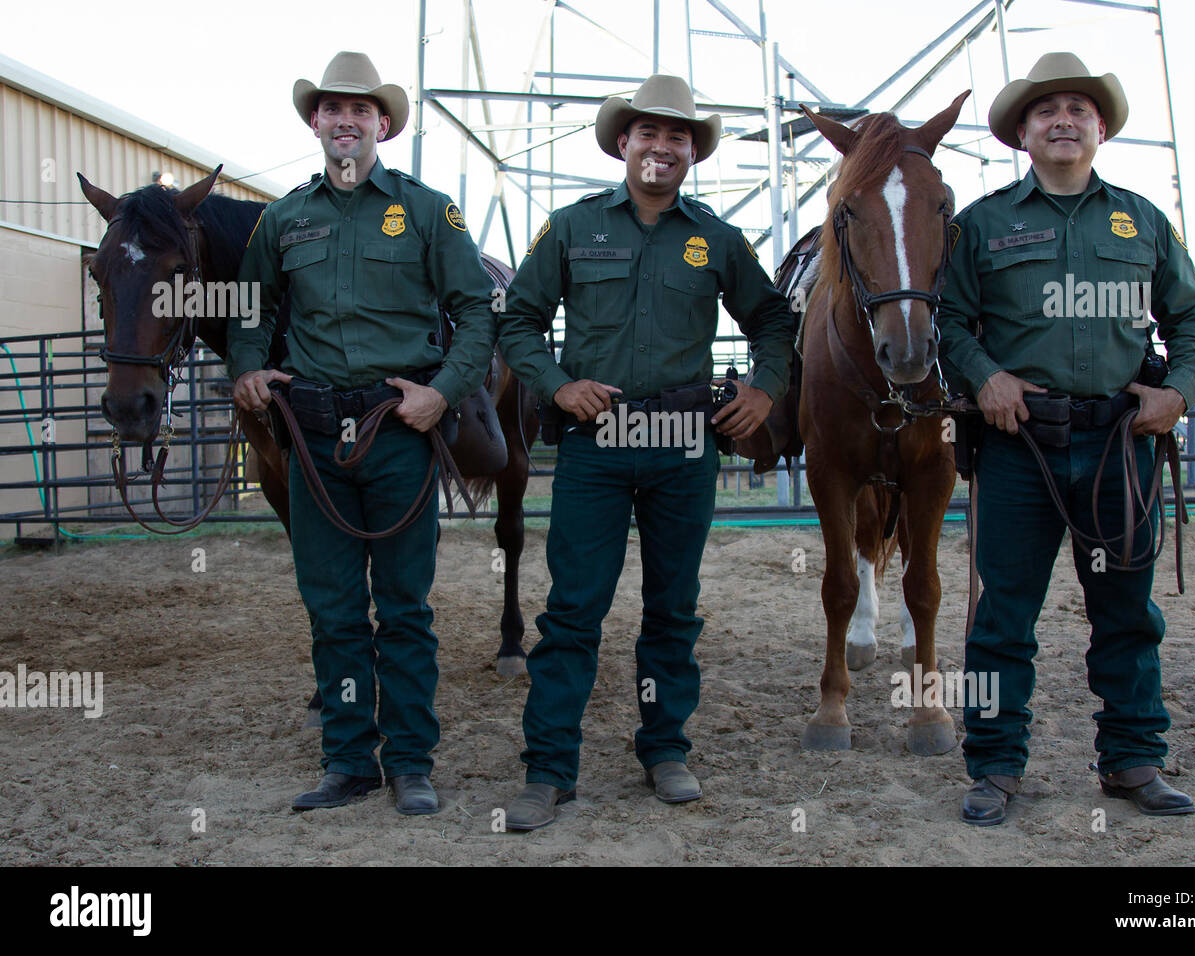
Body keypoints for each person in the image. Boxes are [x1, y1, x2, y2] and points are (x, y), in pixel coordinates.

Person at [495, 74, 796, 830]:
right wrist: (558, 386)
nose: (662, 146)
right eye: (648, 133)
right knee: (572, 611)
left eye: (678, 135)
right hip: (597, 446)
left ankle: (665, 750)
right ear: (623, 142)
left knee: (672, 609)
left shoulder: (717, 239)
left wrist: (762, 390)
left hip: (682, 446)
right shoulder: (571, 227)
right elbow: (518, 321)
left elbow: (772, 321)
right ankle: (548, 769)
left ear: (692, 150)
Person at [937, 53, 1195, 826]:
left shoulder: (1144, 221)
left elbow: (1194, 318)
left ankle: (1132, 759)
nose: (1064, 120)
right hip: (1018, 446)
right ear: (1022, 133)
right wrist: (985, 376)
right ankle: (994, 765)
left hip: (1117, 446)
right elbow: (949, 324)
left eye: (1078, 109)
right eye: (1046, 110)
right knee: (1002, 619)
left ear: (1098, 128)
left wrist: (1179, 391)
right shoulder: (982, 224)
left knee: (1126, 611)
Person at [227, 51, 497, 815]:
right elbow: (251, 310)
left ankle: (410, 760)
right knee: (334, 608)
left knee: (404, 607)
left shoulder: (427, 209)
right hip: (312, 441)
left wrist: (443, 393)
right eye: (331, 109)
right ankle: (348, 761)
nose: (345, 121)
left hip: (400, 432)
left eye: (361, 110)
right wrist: (247, 367)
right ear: (315, 122)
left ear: (382, 123)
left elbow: (477, 312)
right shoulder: (283, 219)